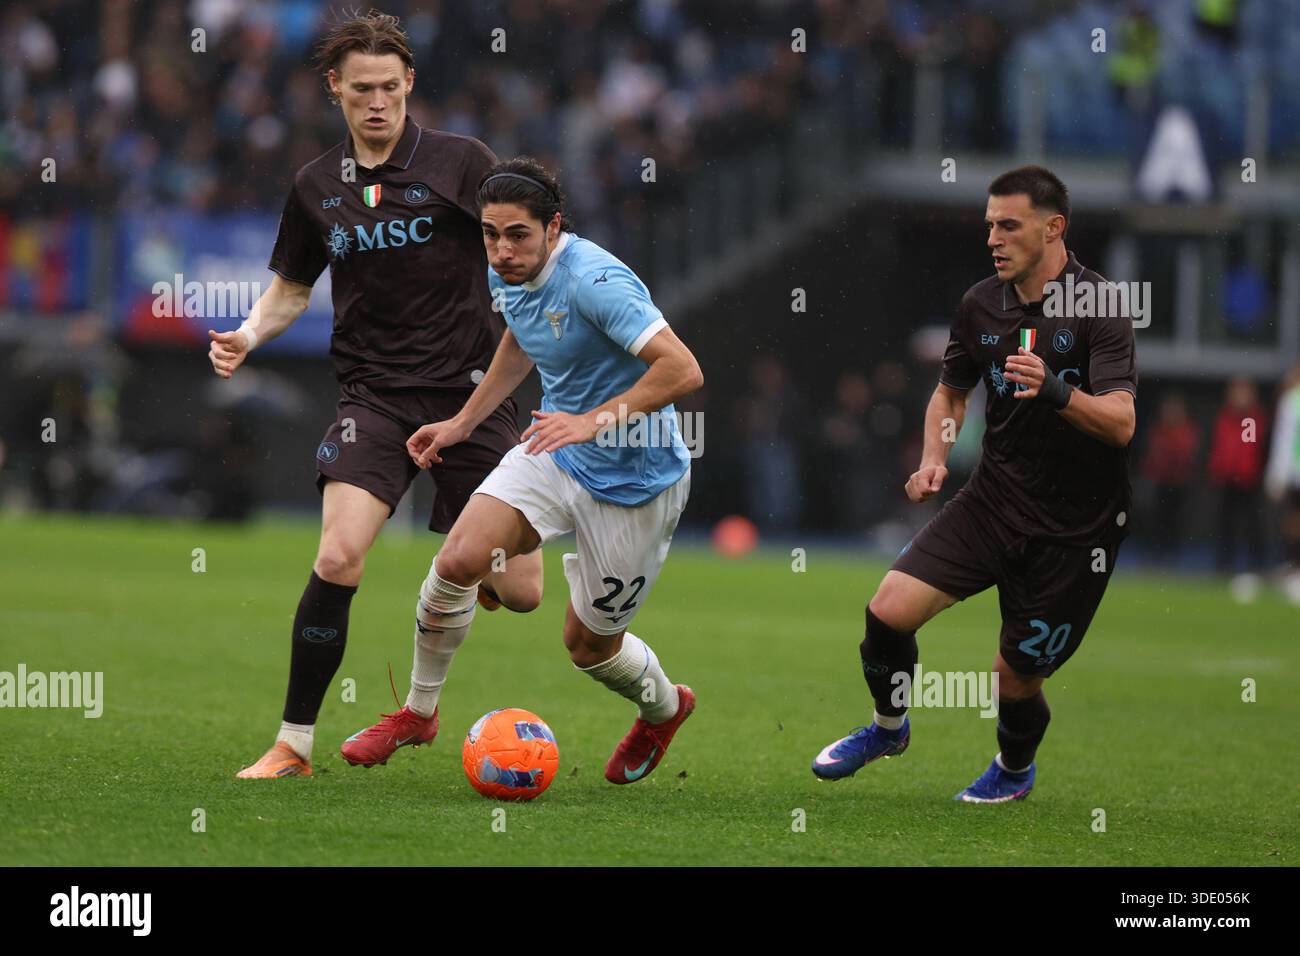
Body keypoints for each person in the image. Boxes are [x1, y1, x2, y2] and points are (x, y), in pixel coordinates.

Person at [212, 12, 543, 779]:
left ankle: (477, 571)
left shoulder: (463, 163)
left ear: (409, 85)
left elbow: (529, 246)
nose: (376, 102)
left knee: (521, 591)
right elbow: (292, 290)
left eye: (390, 88)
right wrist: (249, 334)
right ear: (334, 89)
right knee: (338, 555)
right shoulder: (315, 185)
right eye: (361, 89)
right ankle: (294, 743)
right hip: (374, 400)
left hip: (470, 399)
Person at [346, 157, 702, 785]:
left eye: (517, 235)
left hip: (637, 484)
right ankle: (418, 713)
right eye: (490, 234)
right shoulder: (505, 271)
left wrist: (593, 420)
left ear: (553, 227)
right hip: (555, 450)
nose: (502, 250)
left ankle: (664, 709)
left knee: (587, 648)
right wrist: (461, 423)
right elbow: (520, 337)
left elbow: (683, 371)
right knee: (459, 559)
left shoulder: (595, 281)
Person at [812, 165, 1137, 802]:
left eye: (1009, 225)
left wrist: (1056, 389)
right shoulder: (980, 303)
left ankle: (1014, 768)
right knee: (887, 613)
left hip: (1077, 528)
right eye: (989, 224)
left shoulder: (1101, 305)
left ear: (1054, 228)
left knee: (1013, 680)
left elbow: (1121, 422)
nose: (993, 237)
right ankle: (888, 726)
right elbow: (950, 393)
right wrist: (936, 453)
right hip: (994, 499)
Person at [1264, 363, 1300, 603]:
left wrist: (1275, 475)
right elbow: (1285, 439)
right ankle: (1294, 568)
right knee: (1293, 520)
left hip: (1295, 472)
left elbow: (1283, 440)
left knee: (1293, 521)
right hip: (1296, 473)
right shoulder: (1291, 400)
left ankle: (1294, 568)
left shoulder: (1291, 400)